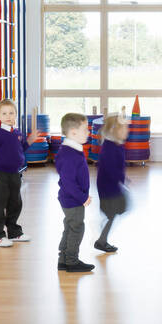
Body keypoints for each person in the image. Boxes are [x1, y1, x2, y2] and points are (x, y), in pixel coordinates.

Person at [0, 99, 30, 248]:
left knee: (15, 203)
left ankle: (14, 232)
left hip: (15, 174)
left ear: (16, 115)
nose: (8, 116)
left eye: (11, 113)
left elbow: (21, 148)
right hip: (0, 175)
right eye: (4, 113)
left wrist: (31, 140)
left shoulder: (17, 133)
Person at [54, 113, 95, 273]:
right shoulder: (70, 155)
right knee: (76, 228)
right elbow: (69, 182)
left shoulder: (71, 150)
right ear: (73, 132)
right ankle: (72, 261)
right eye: (85, 129)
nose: (88, 132)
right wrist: (83, 197)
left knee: (70, 227)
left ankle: (63, 259)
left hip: (70, 198)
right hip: (73, 200)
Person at [94, 113, 128, 253]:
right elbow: (110, 168)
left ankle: (102, 238)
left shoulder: (116, 145)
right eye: (124, 128)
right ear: (115, 131)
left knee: (115, 212)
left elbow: (118, 166)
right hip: (108, 188)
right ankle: (101, 241)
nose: (127, 131)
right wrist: (120, 179)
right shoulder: (109, 148)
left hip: (112, 186)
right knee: (113, 213)